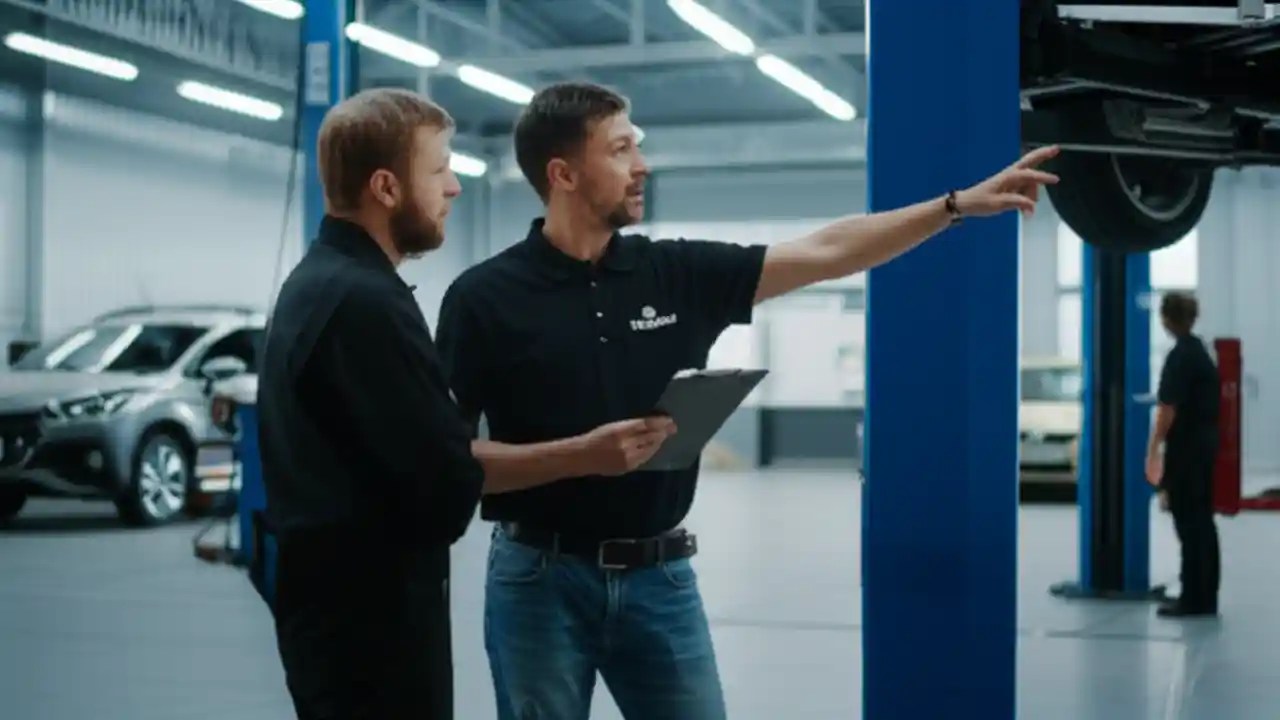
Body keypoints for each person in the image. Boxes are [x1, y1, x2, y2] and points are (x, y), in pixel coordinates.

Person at [434, 81, 1061, 719]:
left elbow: (826, 251)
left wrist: (952, 207)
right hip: (539, 580)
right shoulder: (483, 299)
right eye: (621, 150)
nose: (642, 165)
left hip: (662, 578)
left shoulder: (677, 274)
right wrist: (580, 456)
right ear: (563, 173)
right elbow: (450, 459)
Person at [255, 87, 485, 719]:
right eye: (439, 168)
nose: (455, 186)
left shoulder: (311, 284)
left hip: (327, 619)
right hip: (376, 634)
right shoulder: (368, 303)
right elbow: (442, 483)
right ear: (387, 188)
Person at [1146, 291, 1221, 618]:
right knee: (1201, 522)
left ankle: (1192, 599)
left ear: (1166, 319)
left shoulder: (1180, 356)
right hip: (1203, 447)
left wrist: (1154, 449)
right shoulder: (1199, 351)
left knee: (1188, 523)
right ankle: (1204, 596)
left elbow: (1169, 407)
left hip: (1186, 450)